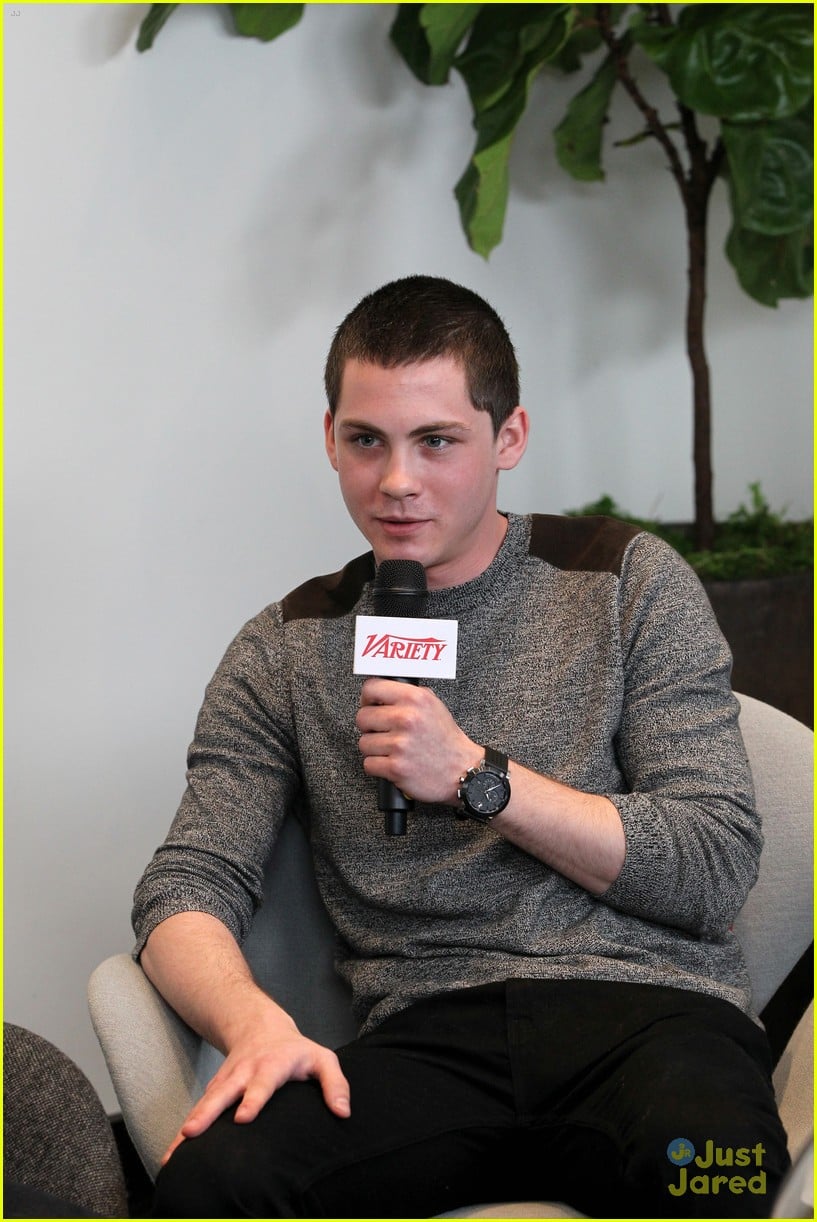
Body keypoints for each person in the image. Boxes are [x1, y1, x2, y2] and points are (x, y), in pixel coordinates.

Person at [134, 275, 790, 1219]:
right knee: (216, 1186)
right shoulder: (283, 645)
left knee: (714, 1176)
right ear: (330, 440)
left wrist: (480, 778)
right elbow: (185, 885)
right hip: (425, 1037)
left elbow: (712, 863)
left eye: (436, 441)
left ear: (507, 438)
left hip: (647, 1020)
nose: (397, 481)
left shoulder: (622, 581)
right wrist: (254, 1023)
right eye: (367, 440)